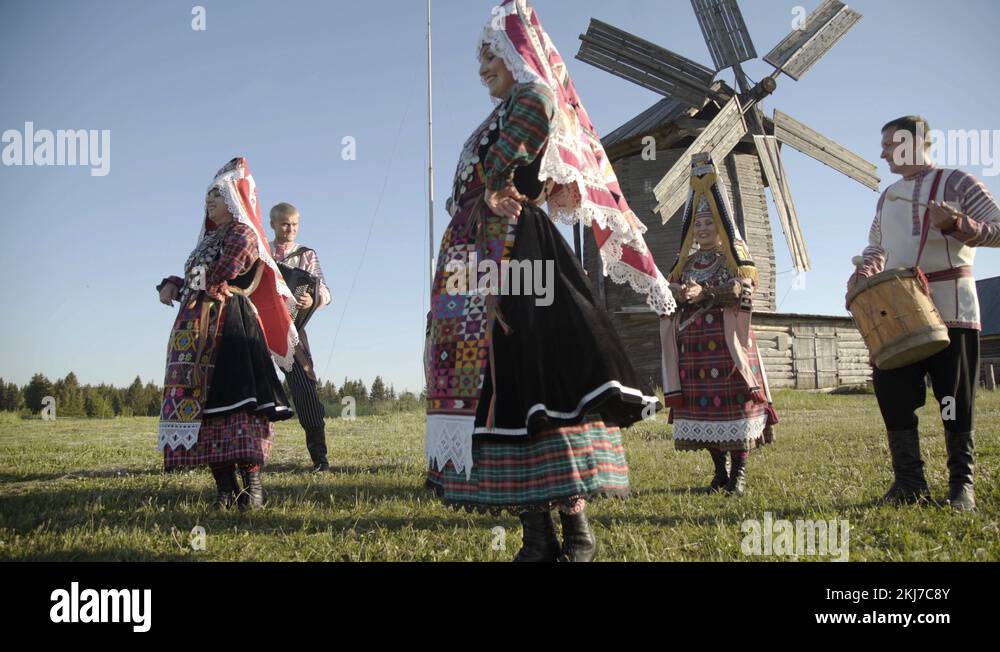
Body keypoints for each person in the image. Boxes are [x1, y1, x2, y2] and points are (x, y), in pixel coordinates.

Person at [424, 0, 675, 562]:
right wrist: (464, 198)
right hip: (476, 252)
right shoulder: (500, 110)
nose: (482, 64)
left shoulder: (533, 96)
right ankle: (535, 533)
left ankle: (577, 527)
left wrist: (485, 187)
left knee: (536, 369)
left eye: (489, 52)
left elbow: (506, 168)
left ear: (516, 51)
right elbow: (480, 181)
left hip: (516, 248)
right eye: (479, 55)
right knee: (496, 379)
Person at [848, 116, 1000, 511]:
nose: (882, 153)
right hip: (899, 309)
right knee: (892, 390)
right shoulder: (888, 197)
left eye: (889, 145)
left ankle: (960, 487)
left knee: (953, 397)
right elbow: (876, 246)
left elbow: (998, 228)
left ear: (916, 142)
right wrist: (865, 271)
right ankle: (910, 482)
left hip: (953, 305)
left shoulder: (959, 182)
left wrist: (957, 225)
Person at [157, 157, 298, 509]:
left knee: (236, 401)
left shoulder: (243, 232)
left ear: (234, 198)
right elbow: (198, 275)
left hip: (228, 325)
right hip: (195, 329)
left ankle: (252, 487)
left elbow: (228, 268)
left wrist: (199, 280)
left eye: (217, 195)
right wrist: (174, 282)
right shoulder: (208, 238)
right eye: (207, 196)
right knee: (204, 406)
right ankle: (224, 488)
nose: (209, 201)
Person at [659, 154, 778, 497]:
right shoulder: (688, 261)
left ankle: (739, 473)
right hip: (695, 345)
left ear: (721, 227)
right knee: (704, 407)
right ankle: (719, 472)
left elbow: (744, 289)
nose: (703, 229)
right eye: (698, 225)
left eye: (709, 224)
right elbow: (674, 294)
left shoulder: (735, 258)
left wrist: (705, 292)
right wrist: (678, 291)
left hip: (729, 344)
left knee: (737, 404)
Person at [269, 202, 333, 472]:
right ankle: (246, 456)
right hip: (258, 331)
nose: (290, 229)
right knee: (252, 389)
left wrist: (312, 299)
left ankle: (320, 459)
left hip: (291, 332)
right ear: (273, 224)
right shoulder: (262, 251)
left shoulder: (306, 255)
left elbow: (326, 292)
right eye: (285, 224)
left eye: (295, 224)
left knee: (305, 389)